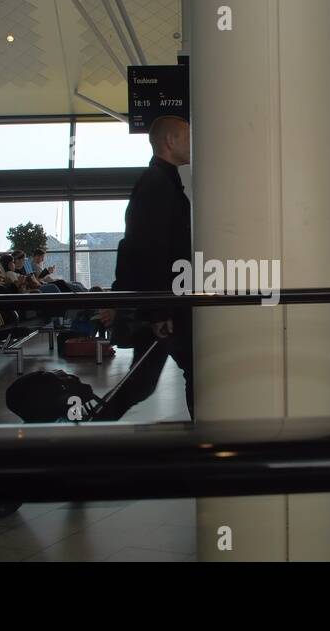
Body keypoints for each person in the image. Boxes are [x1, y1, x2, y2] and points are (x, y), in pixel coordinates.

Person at [97, 115, 194, 422]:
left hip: (166, 301)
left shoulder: (163, 181)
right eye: (187, 138)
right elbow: (149, 249)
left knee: (144, 382)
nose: (192, 144)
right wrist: (159, 311)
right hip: (165, 304)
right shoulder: (157, 184)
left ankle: (90, 427)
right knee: (170, 376)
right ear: (170, 141)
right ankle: (90, 427)